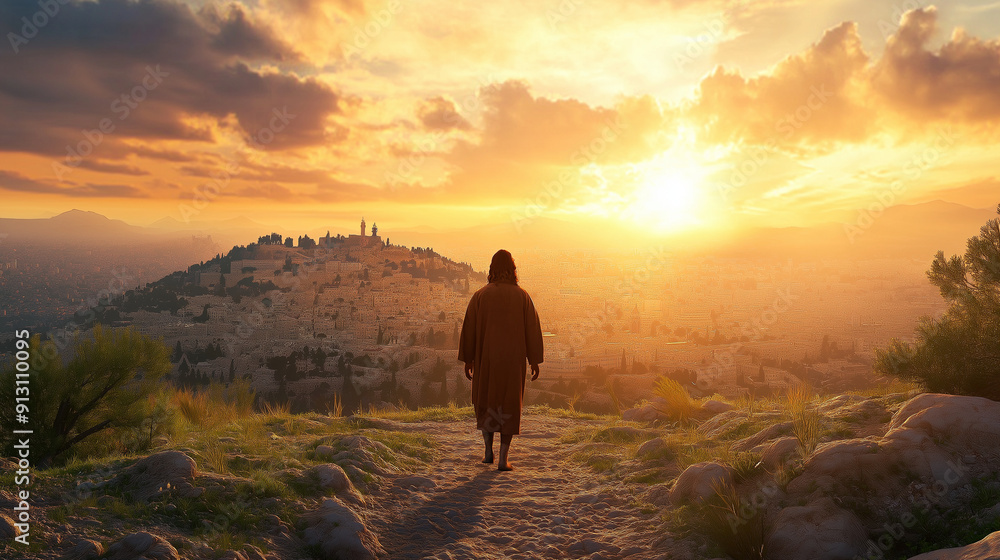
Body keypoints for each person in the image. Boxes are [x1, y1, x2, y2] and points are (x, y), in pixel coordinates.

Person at [458, 249, 544, 471]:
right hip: (512, 362)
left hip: (486, 360)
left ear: (491, 269)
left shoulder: (480, 296)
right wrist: (534, 360)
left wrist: (469, 360)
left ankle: (488, 451)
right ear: (513, 269)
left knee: (487, 401)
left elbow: (469, 329)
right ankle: (504, 458)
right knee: (509, 405)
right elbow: (532, 329)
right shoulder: (522, 297)